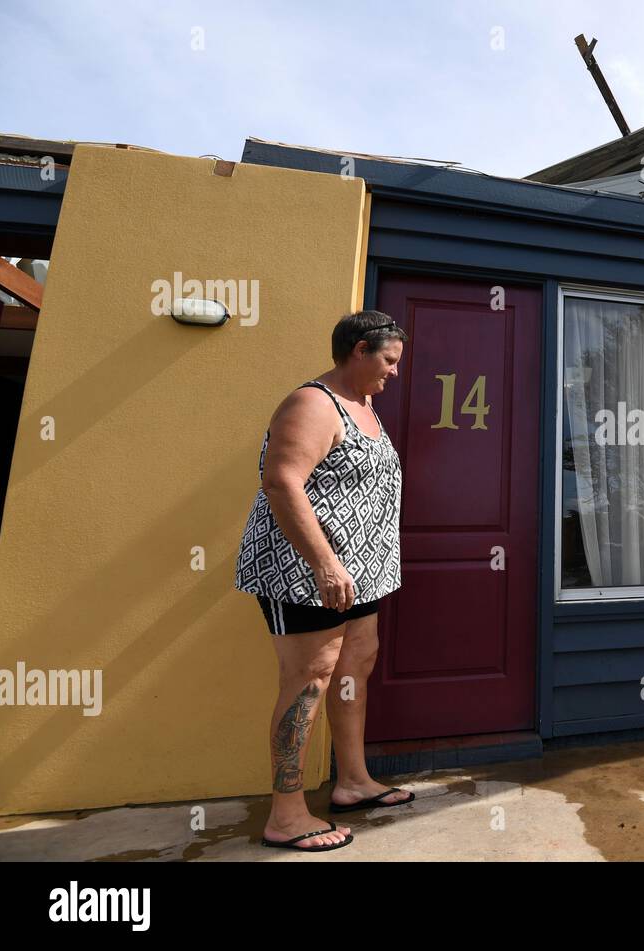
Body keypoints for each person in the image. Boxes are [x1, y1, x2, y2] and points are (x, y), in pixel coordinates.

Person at [234, 310, 413, 851]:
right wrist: (324, 563)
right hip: (305, 572)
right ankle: (286, 814)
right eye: (388, 361)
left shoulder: (365, 406)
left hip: (360, 574)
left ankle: (353, 781)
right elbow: (282, 482)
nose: (395, 373)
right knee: (310, 676)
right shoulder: (312, 404)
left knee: (356, 663)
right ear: (358, 350)